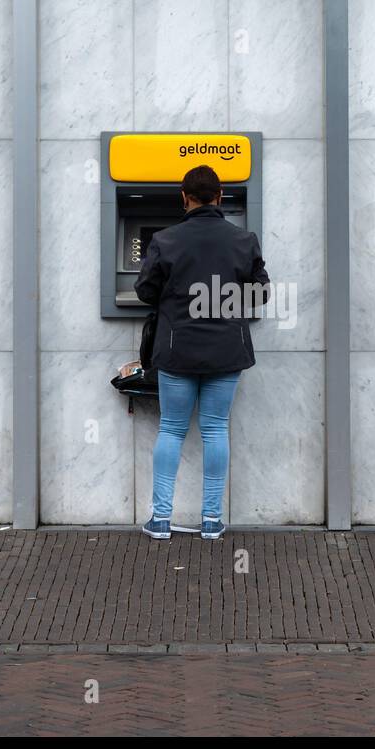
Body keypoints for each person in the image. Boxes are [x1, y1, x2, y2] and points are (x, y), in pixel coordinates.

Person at [134, 165, 269, 541]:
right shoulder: (244, 240)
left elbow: (145, 291)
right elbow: (261, 293)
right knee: (215, 429)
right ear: (220, 196)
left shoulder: (165, 240)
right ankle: (211, 521)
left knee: (172, 429)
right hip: (226, 351)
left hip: (177, 351)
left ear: (184, 197)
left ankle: (161, 520)